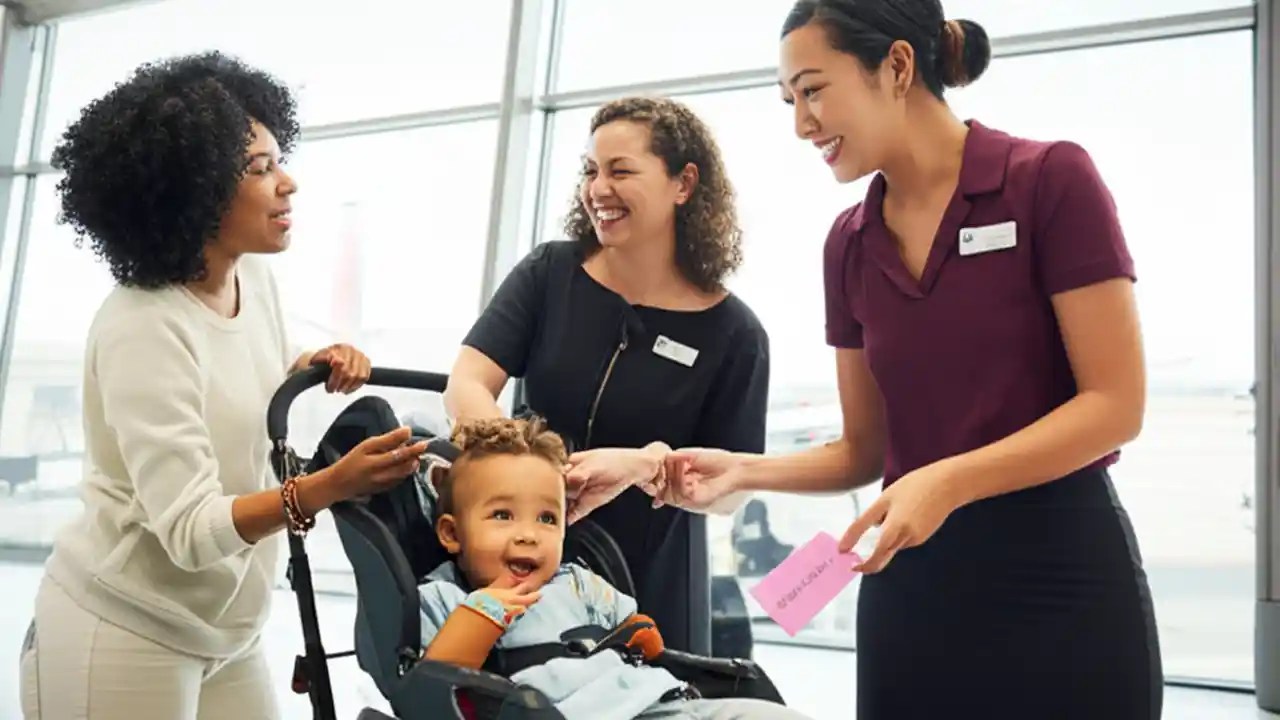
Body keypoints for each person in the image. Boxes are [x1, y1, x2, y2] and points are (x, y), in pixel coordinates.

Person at [634, 1, 1162, 717]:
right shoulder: (847, 244)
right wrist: (744, 471)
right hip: (914, 587)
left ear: (898, 67)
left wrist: (948, 481)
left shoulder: (1048, 180)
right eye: (790, 100)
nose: (801, 123)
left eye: (814, 90)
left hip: (1062, 573)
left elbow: (1115, 407)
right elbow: (865, 449)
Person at [18, 52, 429, 720]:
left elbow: (236, 369)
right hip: (124, 629)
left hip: (227, 632)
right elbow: (188, 527)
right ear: (196, 192)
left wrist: (308, 360)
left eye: (278, 160)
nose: (287, 183)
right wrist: (333, 486)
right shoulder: (142, 324)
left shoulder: (252, 280)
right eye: (260, 169)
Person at [443, 96, 770, 655]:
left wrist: (646, 466)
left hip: (651, 584)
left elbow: (729, 492)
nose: (598, 188)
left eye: (621, 171)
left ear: (683, 184)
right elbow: (467, 382)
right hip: (530, 563)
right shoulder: (550, 274)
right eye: (590, 171)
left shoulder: (735, 334)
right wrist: (523, 473)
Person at [417, 416, 810, 720]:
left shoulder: (576, 584)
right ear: (452, 533)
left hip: (657, 704)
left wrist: (635, 635)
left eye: (547, 519)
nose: (529, 535)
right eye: (503, 515)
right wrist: (486, 612)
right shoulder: (446, 598)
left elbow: (642, 637)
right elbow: (432, 684)